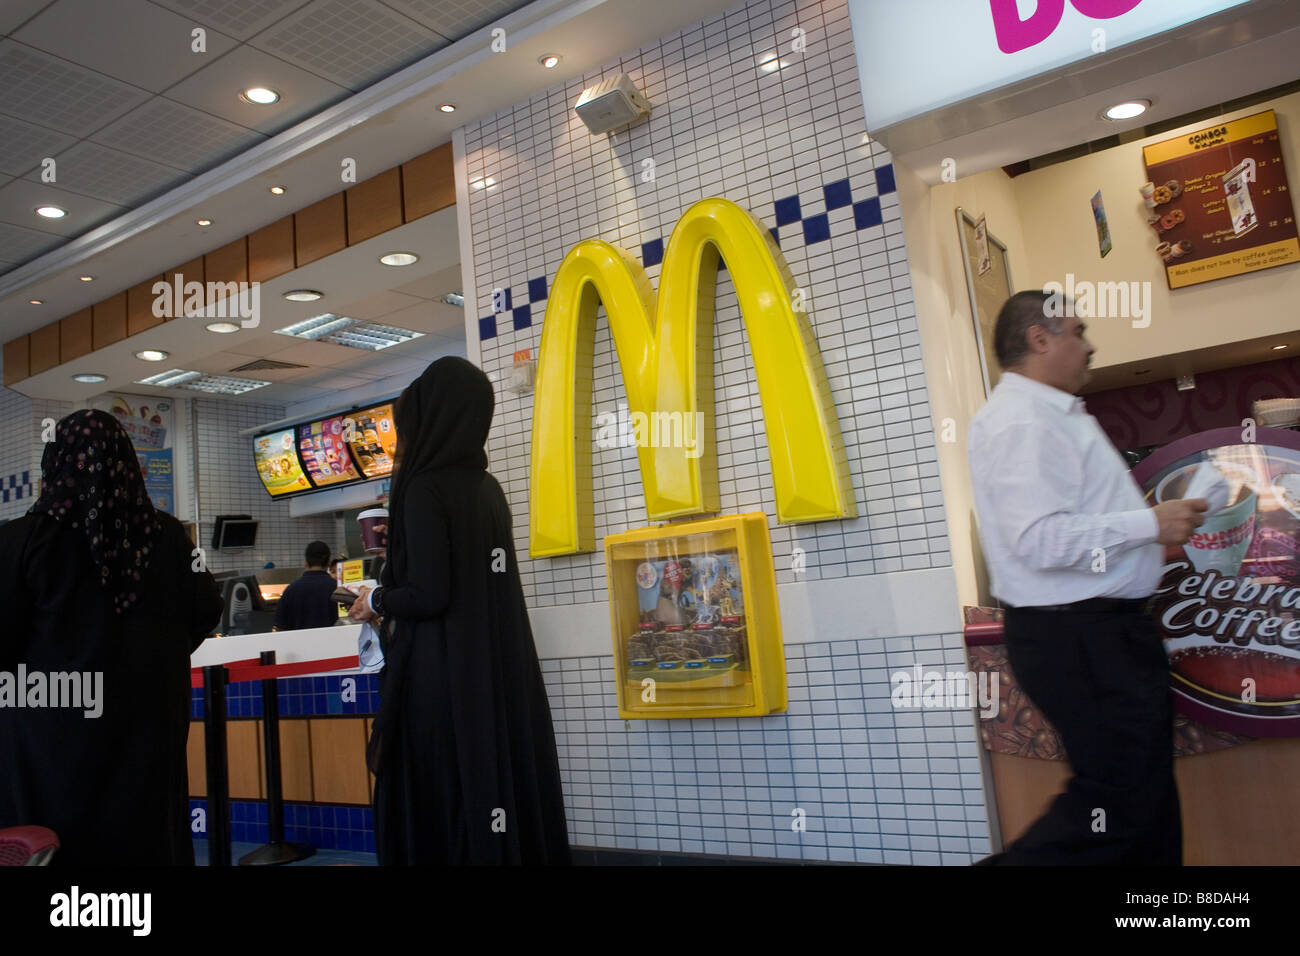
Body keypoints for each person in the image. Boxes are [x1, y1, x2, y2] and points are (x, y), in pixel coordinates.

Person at [967, 291, 1207, 866]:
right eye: (1078, 329)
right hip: (1080, 637)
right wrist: (1147, 525)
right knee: (1117, 805)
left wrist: (1145, 543)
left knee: (1142, 805)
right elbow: (1040, 541)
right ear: (1039, 339)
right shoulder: (1021, 421)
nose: (1091, 343)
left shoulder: (1049, 414)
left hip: (1095, 633)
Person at [349, 356, 570, 865]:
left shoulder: (424, 488)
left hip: (440, 678)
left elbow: (429, 594)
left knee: (443, 790)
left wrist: (376, 599)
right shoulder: (487, 488)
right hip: (495, 670)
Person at [0, 410, 222, 866]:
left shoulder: (23, 540)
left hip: (48, 735)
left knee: (54, 844)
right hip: (147, 729)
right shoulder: (170, 539)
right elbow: (205, 612)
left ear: (54, 461)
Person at [273, 540, 340, 630]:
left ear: (305, 563)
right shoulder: (338, 589)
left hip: (298, 643)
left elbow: (279, 626)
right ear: (329, 562)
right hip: (334, 642)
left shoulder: (291, 590)